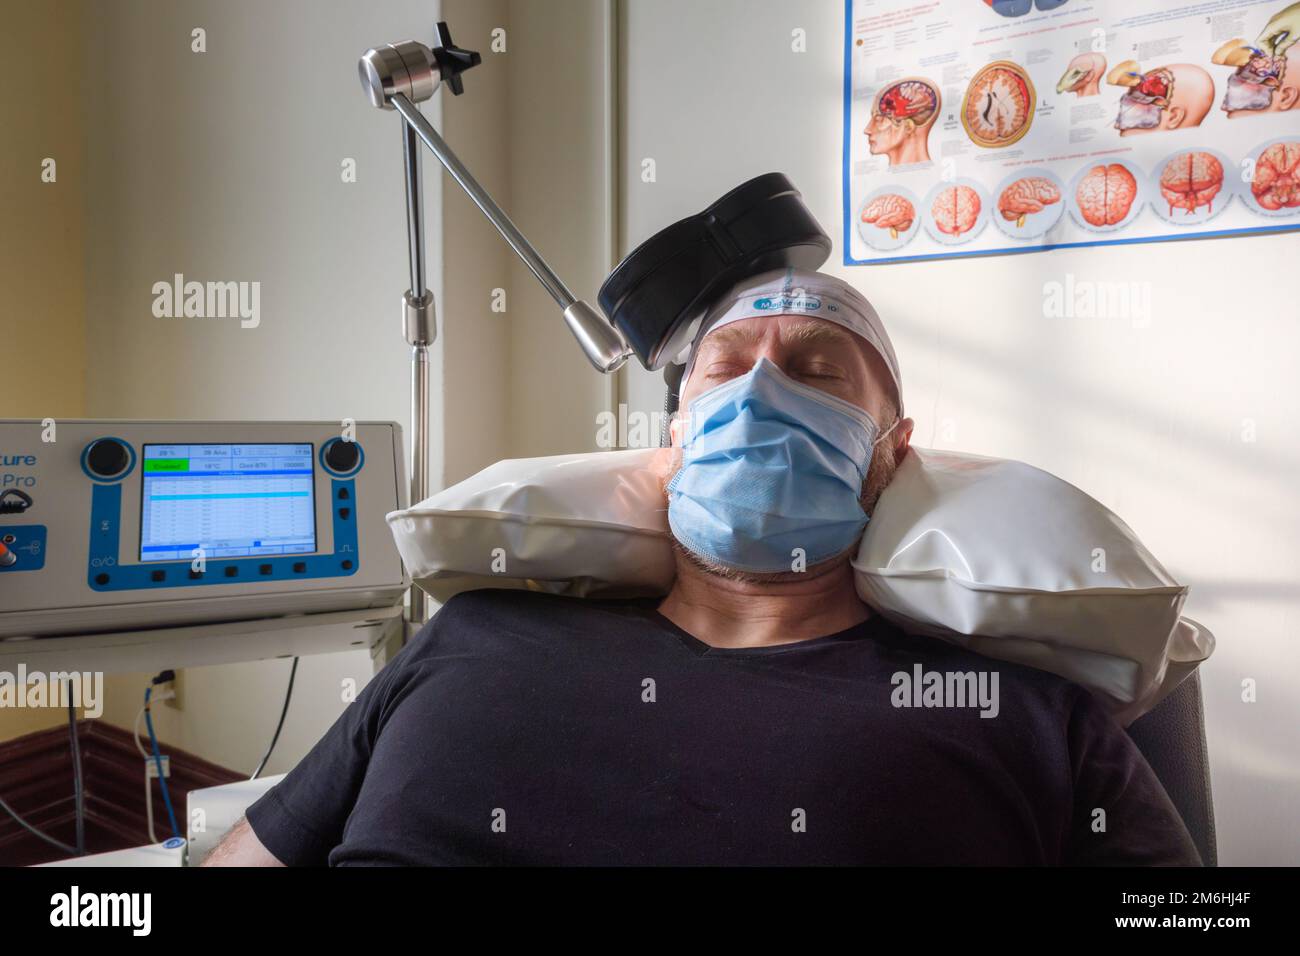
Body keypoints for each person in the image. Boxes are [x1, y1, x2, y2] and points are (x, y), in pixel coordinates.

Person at [205, 268, 1201, 866]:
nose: (763, 386)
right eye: (727, 367)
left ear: (890, 452)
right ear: (673, 440)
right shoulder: (473, 634)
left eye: (816, 370)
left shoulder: (1016, 712)